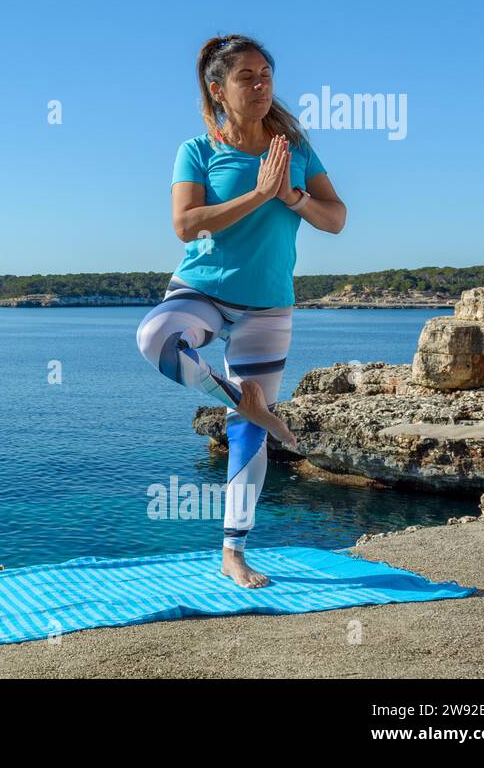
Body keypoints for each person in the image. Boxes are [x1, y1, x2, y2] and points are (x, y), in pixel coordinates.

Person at [135, 34, 347, 588]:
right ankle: (247, 404)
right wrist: (258, 194)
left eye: (265, 75)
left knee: (245, 437)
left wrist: (291, 197)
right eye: (246, 76)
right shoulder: (197, 150)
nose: (259, 85)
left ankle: (234, 553)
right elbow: (186, 225)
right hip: (202, 290)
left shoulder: (295, 149)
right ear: (218, 88)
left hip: (268, 307)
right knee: (156, 339)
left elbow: (336, 218)